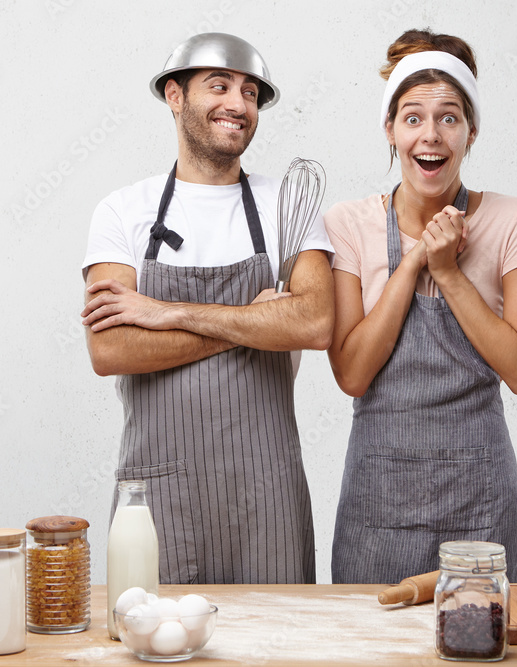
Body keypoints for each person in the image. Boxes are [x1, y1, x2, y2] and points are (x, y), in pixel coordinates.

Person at [80, 32, 334, 585]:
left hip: (267, 493)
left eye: (249, 93)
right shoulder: (123, 211)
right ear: (175, 96)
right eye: (219, 86)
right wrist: (258, 321)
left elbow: (315, 322)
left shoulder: (283, 204)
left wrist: (166, 312)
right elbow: (111, 347)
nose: (238, 104)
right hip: (158, 496)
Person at [324, 29, 517, 584]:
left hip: (481, 499)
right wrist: (413, 263)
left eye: (450, 117)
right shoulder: (348, 225)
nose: (431, 135)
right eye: (413, 118)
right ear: (390, 130)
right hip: (378, 506)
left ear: (471, 132)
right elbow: (352, 373)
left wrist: (448, 272)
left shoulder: (511, 220)